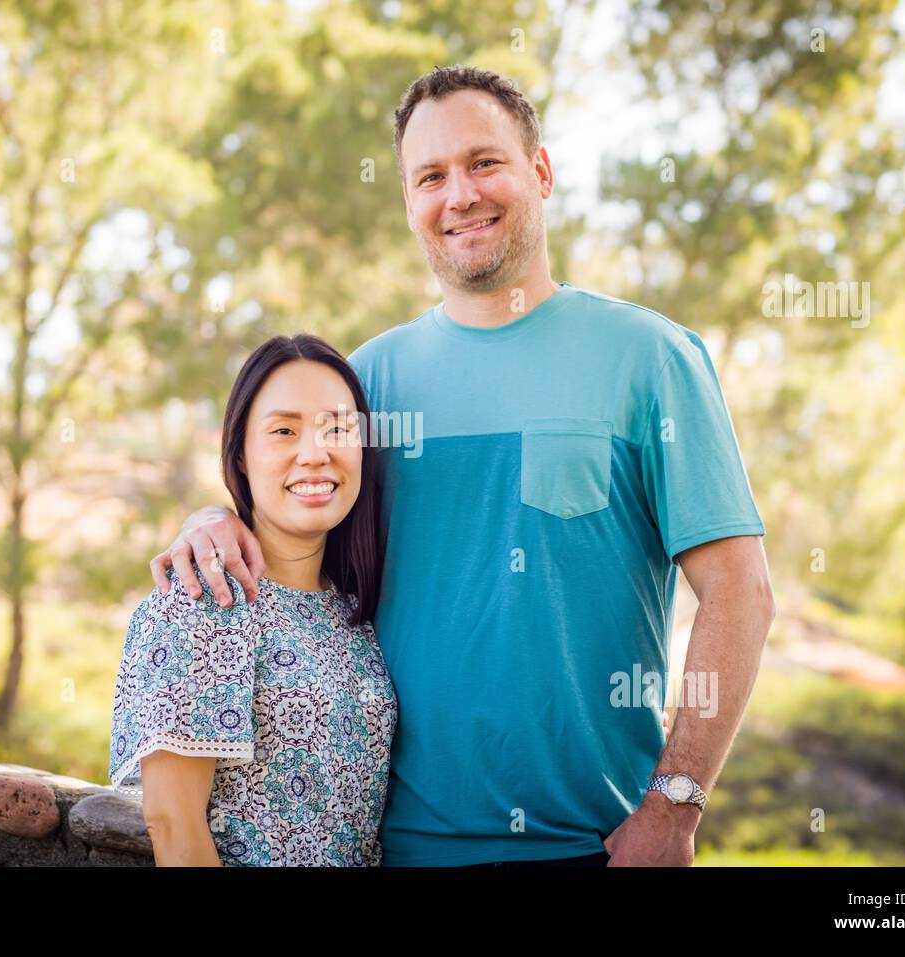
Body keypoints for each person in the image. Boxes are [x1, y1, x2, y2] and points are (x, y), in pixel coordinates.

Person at [150, 66, 776, 867]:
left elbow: (741, 591)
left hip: (598, 847)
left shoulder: (650, 359)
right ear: (409, 201)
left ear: (540, 173)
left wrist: (677, 803)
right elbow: (286, 504)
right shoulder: (366, 383)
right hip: (392, 850)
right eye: (431, 177)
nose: (460, 195)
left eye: (485, 163)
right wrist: (211, 517)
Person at [109, 334, 396, 866]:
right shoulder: (203, 601)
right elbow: (171, 822)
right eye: (284, 430)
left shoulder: (352, 610)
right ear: (240, 452)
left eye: (338, 428)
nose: (315, 452)